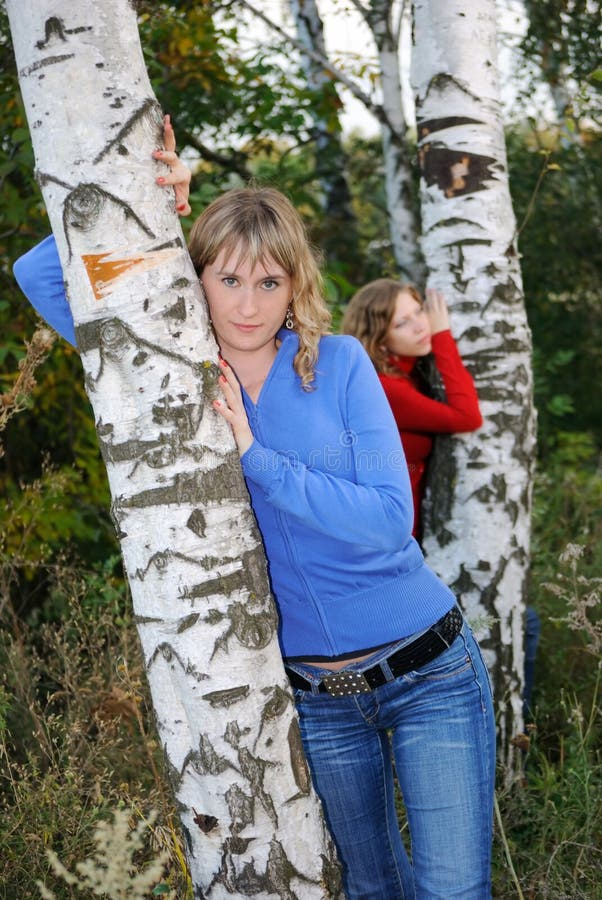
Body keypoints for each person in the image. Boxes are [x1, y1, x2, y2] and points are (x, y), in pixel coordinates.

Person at [14, 132, 496, 899]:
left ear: (294, 284)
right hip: (319, 700)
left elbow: (385, 521)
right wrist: (149, 198)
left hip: (427, 667)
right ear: (195, 275)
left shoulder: (337, 363)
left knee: (451, 893)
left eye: (268, 283)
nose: (246, 304)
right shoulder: (167, 364)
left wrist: (255, 454)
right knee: (371, 890)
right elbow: (38, 274)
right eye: (227, 278)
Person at [341, 279, 482, 541]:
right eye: (401, 323)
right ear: (379, 340)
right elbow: (468, 417)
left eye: (419, 311)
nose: (420, 325)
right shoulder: (385, 388)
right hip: (385, 534)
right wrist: (441, 336)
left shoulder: (407, 375)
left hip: (401, 528)